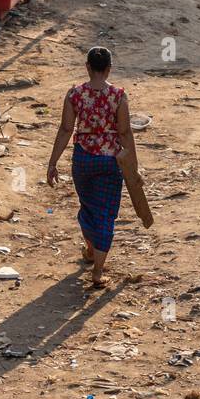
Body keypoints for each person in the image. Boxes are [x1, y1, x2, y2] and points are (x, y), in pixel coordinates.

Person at [46, 47, 137, 287]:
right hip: (109, 161)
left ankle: (90, 248)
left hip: (83, 161)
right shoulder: (118, 96)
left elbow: (66, 129)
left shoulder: (75, 94)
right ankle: (97, 271)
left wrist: (52, 162)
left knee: (87, 208)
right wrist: (133, 167)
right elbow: (125, 132)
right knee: (106, 214)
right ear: (108, 69)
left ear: (87, 67)